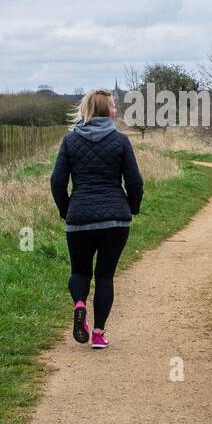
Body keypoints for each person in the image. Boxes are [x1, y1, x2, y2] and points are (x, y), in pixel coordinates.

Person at [50, 89, 144, 349]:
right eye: (113, 106)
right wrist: (132, 207)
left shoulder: (69, 142)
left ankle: (79, 304)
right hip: (115, 220)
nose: (116, 110)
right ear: (106, 110)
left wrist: (66, 210)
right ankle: (99, 334)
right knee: (105, 276)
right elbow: (135, 182)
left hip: (79, 217)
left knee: (80, 271)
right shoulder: (121, 141)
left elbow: (57, 182)